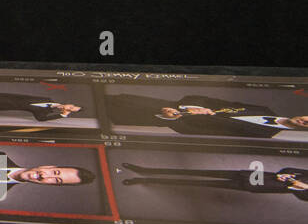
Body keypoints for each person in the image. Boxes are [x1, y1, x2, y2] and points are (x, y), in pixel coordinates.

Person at [105, 93, 308, 138]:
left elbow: (213, 135)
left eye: (307, 125)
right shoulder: (264, 110)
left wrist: (177, 118)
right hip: (164, 104)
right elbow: (218, 102)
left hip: (170, 121)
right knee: (113, 98)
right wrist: (190, 106)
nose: (304, 120)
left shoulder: (266, 135)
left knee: (110, 116)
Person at [120, 161, 308, 197]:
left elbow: (302, 196)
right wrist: (287, 174)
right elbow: (290, 169)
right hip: (249, 175)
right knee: (194, 173)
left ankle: (144, 180)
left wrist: (302, 186)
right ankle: (145, 169)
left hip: (253, 186)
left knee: (196, 183)